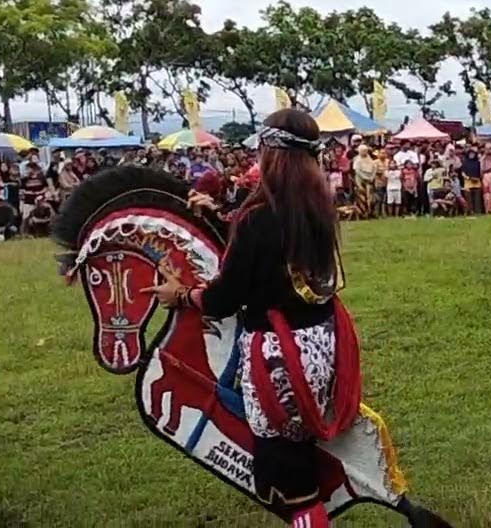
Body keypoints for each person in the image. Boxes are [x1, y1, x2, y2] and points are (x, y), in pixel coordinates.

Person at [144, 109, 361, 527]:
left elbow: (225, 297)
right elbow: (270, 259)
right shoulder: (315, 205)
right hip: (319, 342)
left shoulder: (259, 216)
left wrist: (182, 294)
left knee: (289, 477)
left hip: (280, 358)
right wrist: (220, 214)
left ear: (271, 154)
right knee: (299, 457)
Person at [352, 145, 377, 219]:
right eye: (363, 150)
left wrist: (372, 177)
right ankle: (363, 214)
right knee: (362, 198)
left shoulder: (370, 159)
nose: (364, 152)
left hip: (370, 181)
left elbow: (374, 168)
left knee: (371, 198)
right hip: (361, 181)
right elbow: (357, 171)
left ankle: (371, 212)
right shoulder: (357, 159)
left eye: (366, 150)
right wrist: (365, 177)